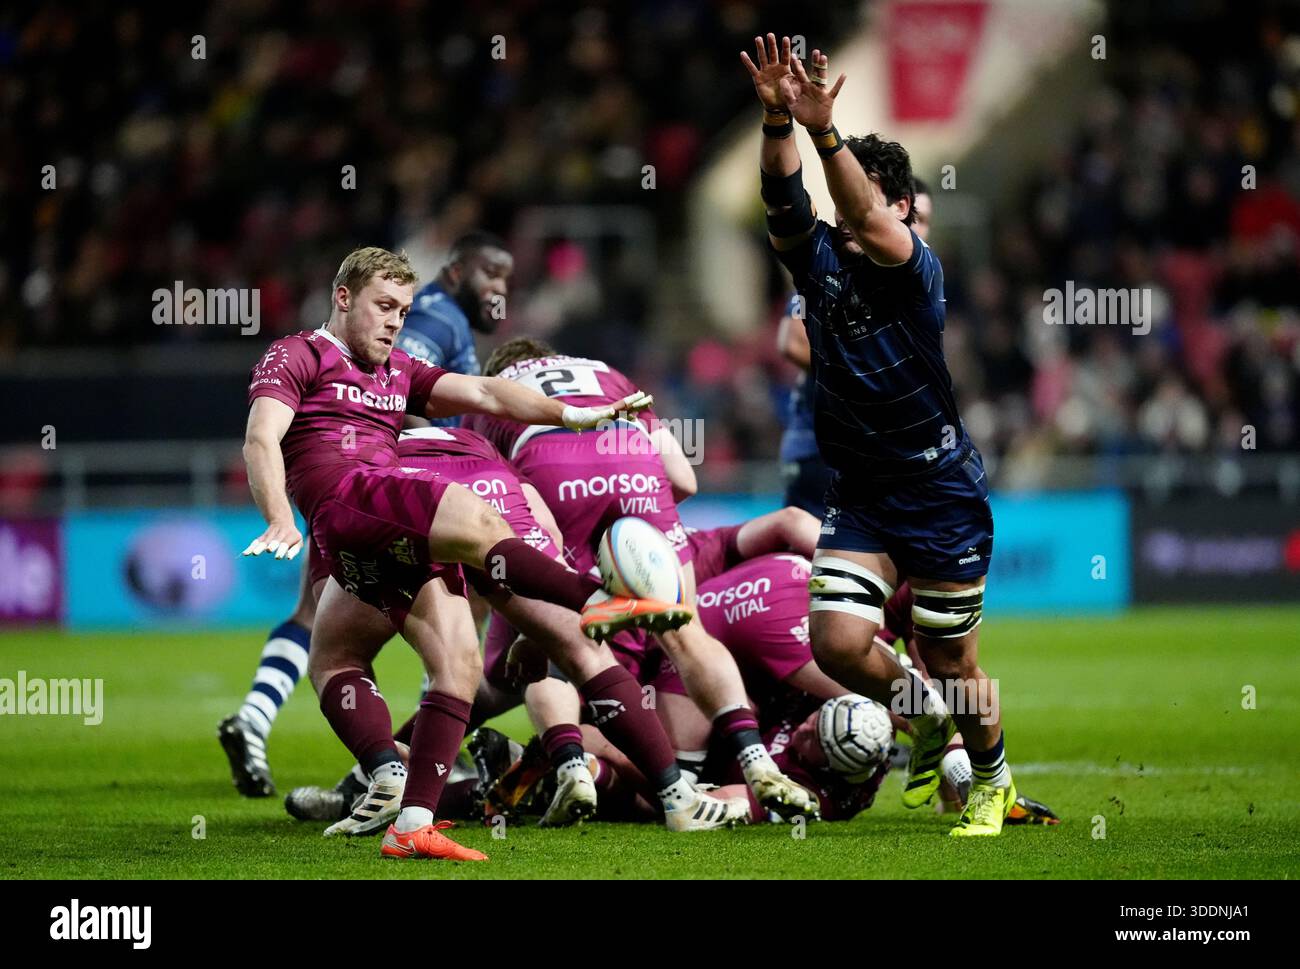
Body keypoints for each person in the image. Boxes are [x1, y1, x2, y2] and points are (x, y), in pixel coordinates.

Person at [242, 246, 688, 860]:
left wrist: (573, 417)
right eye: (383, 306)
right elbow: (262, 435)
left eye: (402, 309)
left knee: (434, 663)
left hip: (384, 532)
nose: (394, 321)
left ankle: (409, 815)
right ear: (343, 298)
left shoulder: (398, 372)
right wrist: (276, 516)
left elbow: (489, 393)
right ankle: (603, 598)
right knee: (480, 516)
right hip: (350, 498)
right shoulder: (298, 354)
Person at [742, 34, 1016, 836]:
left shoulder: (914, 267)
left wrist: (824, 130)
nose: (852, 212)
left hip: (939, 490)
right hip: (860, 491)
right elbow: (784, 205)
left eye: (871, 201)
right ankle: (925, 722)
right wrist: (774, 121)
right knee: (835, 641)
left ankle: (994, 781)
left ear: (900, 209)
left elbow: (856, 205)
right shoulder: (822, 264)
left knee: (952, 660)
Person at [465, 338, 820, 819]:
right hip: (631, 460)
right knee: (684, 630)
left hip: (550, 470)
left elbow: (507, 500)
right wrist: (628, 531)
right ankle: (754, 758)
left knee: (559, 647)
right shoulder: (605, 369)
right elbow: (685, 481)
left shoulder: (486, 394)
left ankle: (572, 767)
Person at [217, 231, 514, 798]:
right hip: (398, 497)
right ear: (453, 274)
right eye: (489, 274)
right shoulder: (436, 323)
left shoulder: (420, 319)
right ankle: (421, 777)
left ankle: (360, 765)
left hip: (371, 493)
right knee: (455, 633)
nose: (498, 290)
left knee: (331, 631)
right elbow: (379, 398)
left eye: (506, 279)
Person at [776, 180, 933, 517]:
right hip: (821, 451)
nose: (920, 230)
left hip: (883, 453)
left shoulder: (920, 284)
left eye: (926, 221)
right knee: (821, 559)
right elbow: (790, 341)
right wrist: (863, 374)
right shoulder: (840, 267)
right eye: (915, 219)